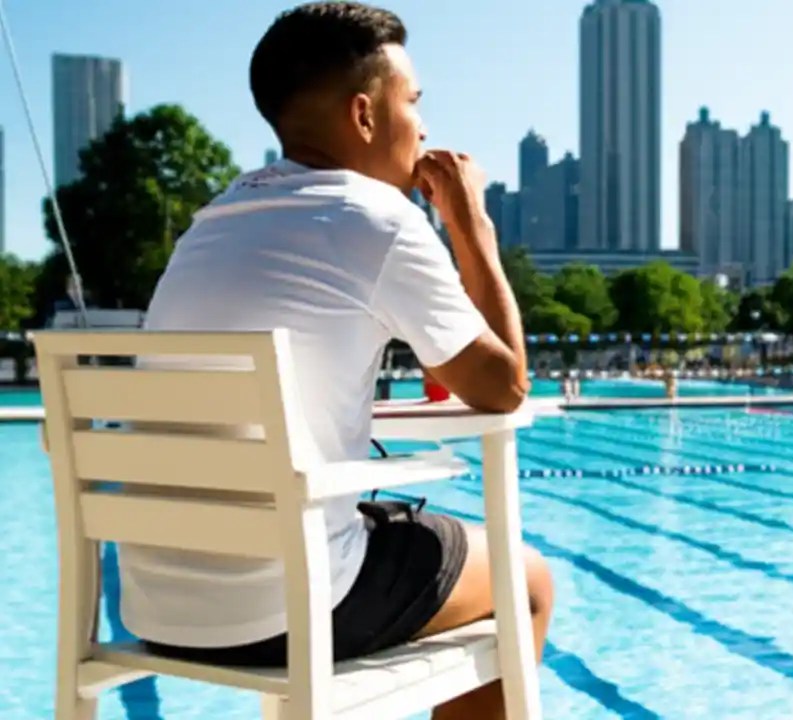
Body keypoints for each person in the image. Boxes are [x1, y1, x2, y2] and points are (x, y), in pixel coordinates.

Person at [124, 3, 552, 718]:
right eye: (412, 104)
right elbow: (504, 385)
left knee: (371, 527)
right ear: (363, 114)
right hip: (284, 609)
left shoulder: (210, 223)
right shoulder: (377, 220)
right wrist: (472, 227)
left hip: (158, 602)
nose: (421, 127)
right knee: (527, 579)